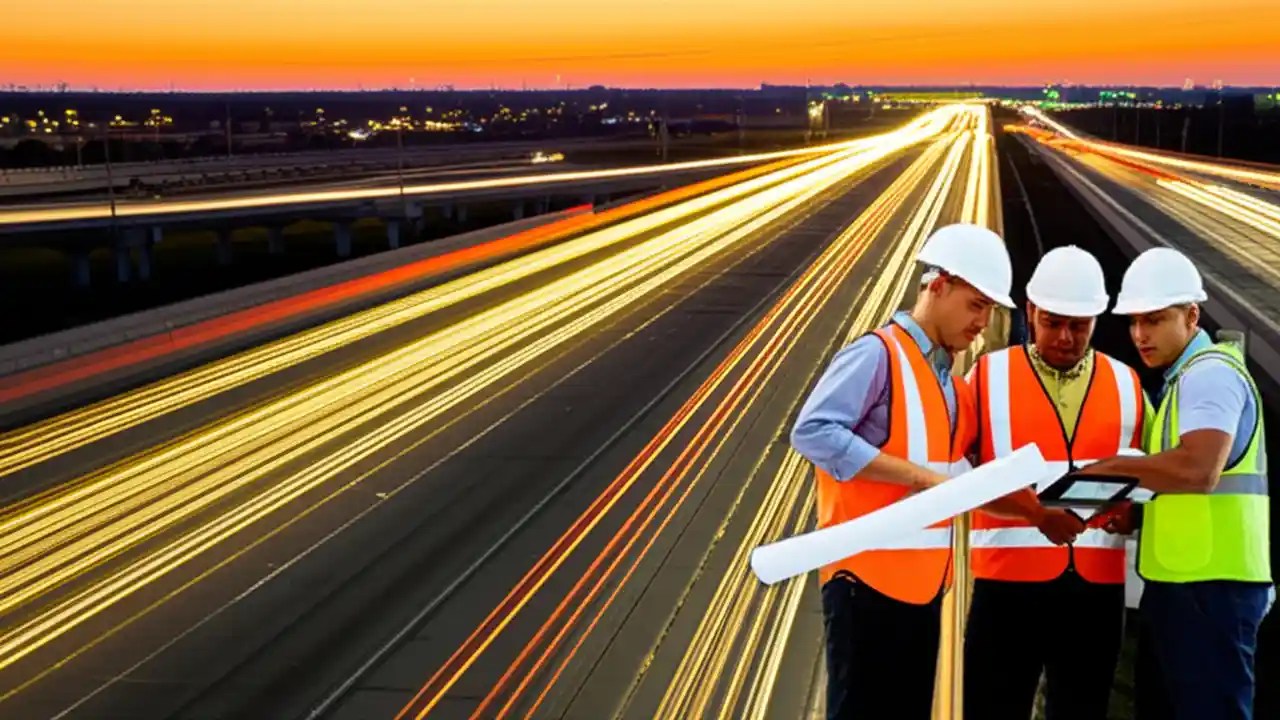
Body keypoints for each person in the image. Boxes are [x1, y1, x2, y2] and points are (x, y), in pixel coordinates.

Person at [790, 223, 1014, 720]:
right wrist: (921, 478)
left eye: (991, 310)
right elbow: (814, 432)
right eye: (977, 305)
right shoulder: (877, 354)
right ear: (938, 286)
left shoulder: (951, 386)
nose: (983, 322)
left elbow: (954, 469)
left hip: (924, 587)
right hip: (864, 585)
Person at [1078, 247, 1271, 720]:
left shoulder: (1210, 375)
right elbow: (1183, 484)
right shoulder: (1181, 381)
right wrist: (1138, 513)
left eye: (1155, 320)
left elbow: (1198, 470)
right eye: (1133, 322)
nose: (1140, 335)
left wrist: (1108, 470)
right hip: (1183, 585)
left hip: (1211, 592)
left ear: (1191, 316)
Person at [962, 245, 1148, 720]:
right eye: (1052, 323)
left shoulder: (1128, 385)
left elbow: (1148, 478)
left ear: (1097, 320)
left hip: (1095, 597)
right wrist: (1033, 513)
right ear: (1030, 312)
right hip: (1006, 590)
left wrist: (1133, 514)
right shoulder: (986, 378)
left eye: (1079, 325)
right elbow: (956, 476)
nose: (1065, 338)